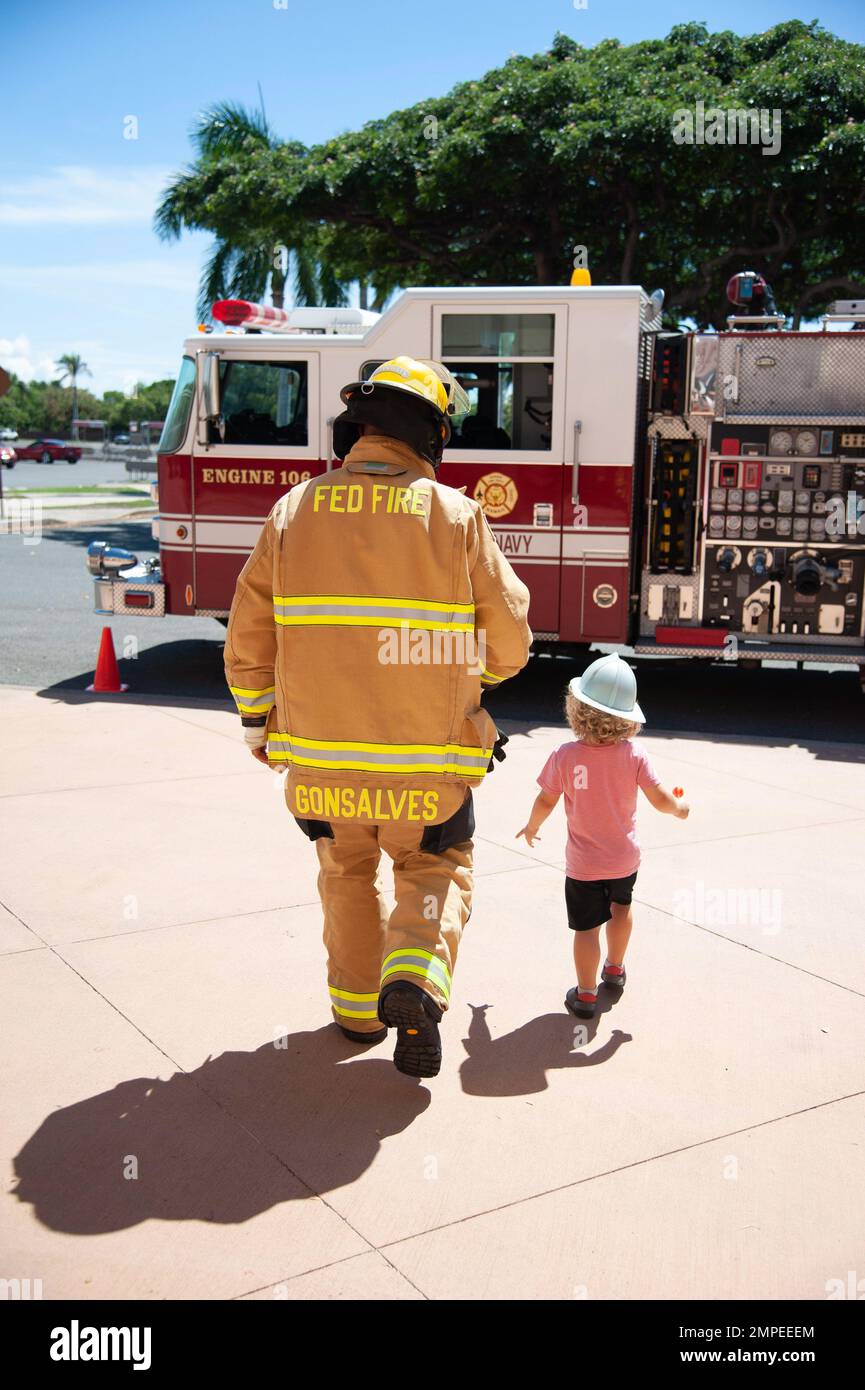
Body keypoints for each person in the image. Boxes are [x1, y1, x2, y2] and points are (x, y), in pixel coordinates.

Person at [225, 356, 531, 1078]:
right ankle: (415, 979)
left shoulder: (292, 511)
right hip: (427, 771)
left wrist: (254, 723)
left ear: (356, 428)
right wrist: (466, 677)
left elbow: (248, 634)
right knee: (434, 866)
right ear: (429, 433)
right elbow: (511, 639)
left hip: (320, 770)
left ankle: (357, 1015)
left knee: (345, 874)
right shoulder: (455, 516)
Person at [516, 653, 689, 1019]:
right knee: (621, 910)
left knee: (586, 928)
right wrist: (679, 808)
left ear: (576, 709)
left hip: (584, 865)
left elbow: (546, 799)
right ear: (628, 718)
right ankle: (614, 969)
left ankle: (586, 994)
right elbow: (660, 799)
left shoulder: (563, 756)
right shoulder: (634, 755)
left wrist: (532, 826)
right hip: (624, 859)